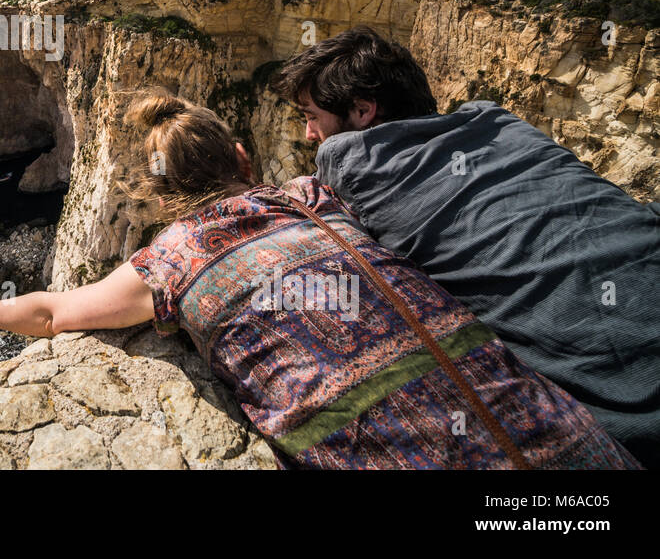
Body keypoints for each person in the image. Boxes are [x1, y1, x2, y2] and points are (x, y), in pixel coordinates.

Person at [0, 90, 639, 469]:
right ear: (244, 157)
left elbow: (52, 315)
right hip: (574, 448)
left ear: (159, 200)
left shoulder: (172, 260)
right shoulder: (312, 197)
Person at [269, 25, 660, 468]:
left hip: (631, 403)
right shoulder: (496, 121)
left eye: (310, 116)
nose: (307, 134)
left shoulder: (353, 161)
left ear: (362, 111)